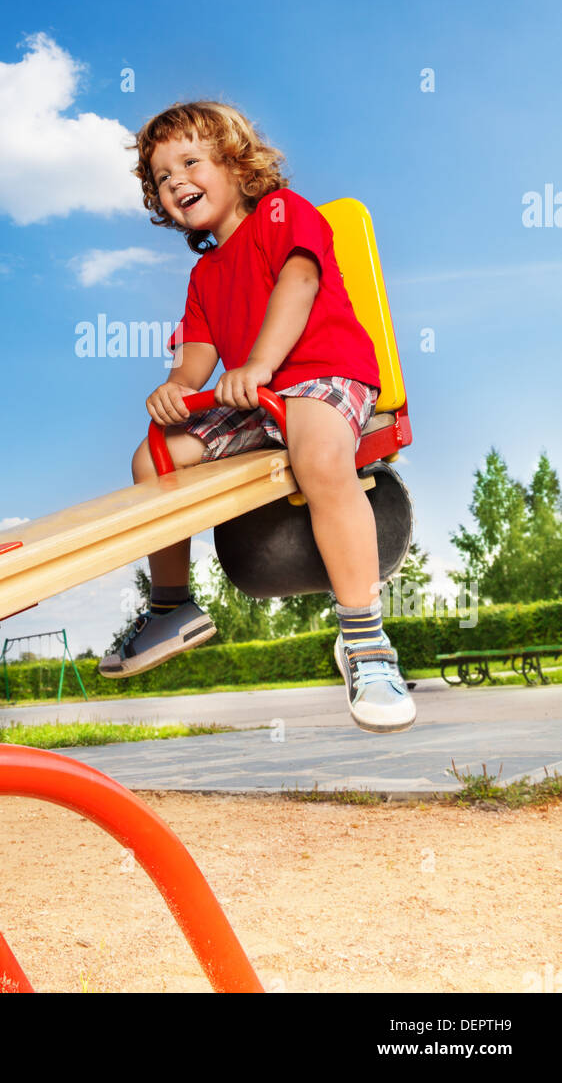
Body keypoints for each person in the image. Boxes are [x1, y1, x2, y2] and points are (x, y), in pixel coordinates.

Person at [98, 100, 416, 735]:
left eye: (189, 161)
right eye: (162, 177)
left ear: (237, 165)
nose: (175, 180)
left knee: (318, 446)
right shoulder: (204, 275)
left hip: (325, 374)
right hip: (259, 397)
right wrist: (173, 392)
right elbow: (195, 363)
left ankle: (366, 641)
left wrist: (263, 363)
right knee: (153, 455)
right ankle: (172, 606)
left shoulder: (284, 213)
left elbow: (298, 286)